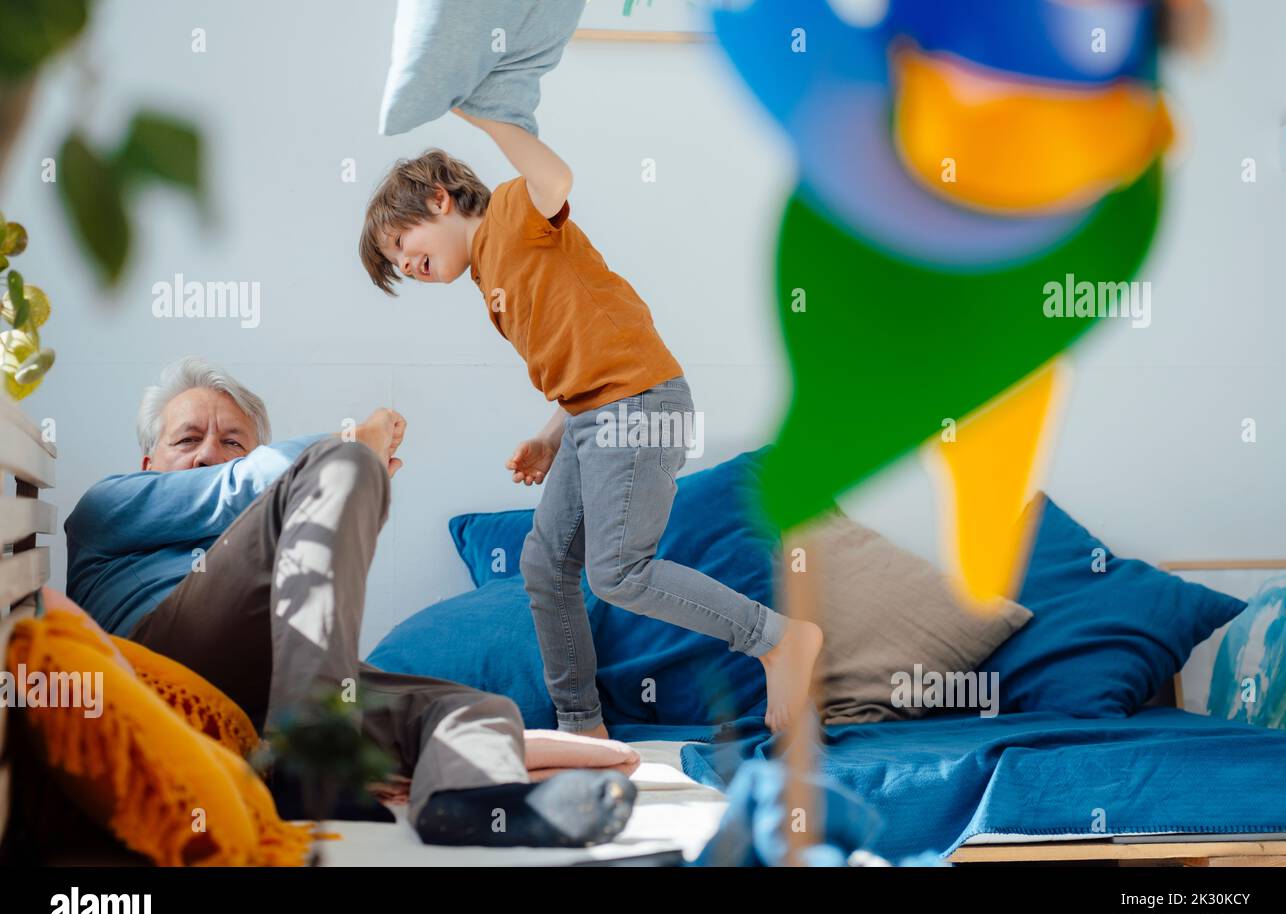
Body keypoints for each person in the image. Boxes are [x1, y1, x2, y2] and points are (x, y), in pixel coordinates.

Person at [359, 115, 825, 737]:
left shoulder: (510, 213)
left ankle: (778, 639)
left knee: (617, 572)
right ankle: (582, 724)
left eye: (404, 245)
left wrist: (481, 113)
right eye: (400, 267)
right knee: (545, 565)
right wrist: (552, 434)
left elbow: (554, 175)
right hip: (595, 413)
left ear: (439, 200)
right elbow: (587, 357)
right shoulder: (489, 275)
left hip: (638, 406)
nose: (409, 266)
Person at [64, 356, 637, 847]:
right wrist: (351, 452)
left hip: (262, 699)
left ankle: (467, 804)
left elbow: (260, 496)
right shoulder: (107, 505)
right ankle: (313, 754)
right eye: (187, 439)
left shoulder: (268, 520)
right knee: (346, 462)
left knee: (478, 711)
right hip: (159, 666)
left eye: (232, 442)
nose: (211, 454)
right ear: (147, 464)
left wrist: (335, 480)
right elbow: (237, 487)